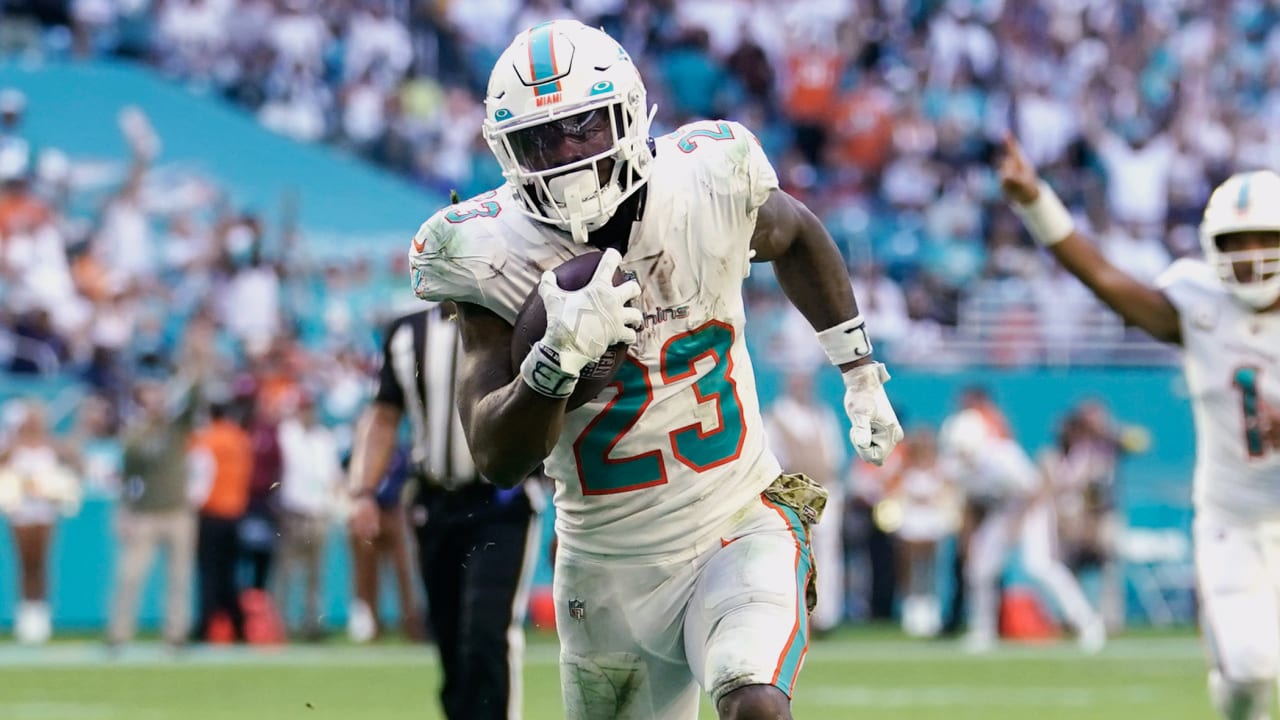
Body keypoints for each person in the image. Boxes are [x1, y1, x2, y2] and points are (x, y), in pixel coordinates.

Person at [408, 20, 903, 720]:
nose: (568, 156)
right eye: (543, 139)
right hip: (606, 566)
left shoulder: (708, 177)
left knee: (754, 700)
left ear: (631, 114)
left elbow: (797, 234)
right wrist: (553, 365)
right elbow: (493, 455)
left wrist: (857, 367)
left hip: (735, 516)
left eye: (584, 127)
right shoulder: (484, 248)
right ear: (506, 149)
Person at [1000, 137, 1280, 719]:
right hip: (1233, 518)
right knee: (1250, 669)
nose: (1252, 256)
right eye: (1237, 243)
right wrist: (1036, 202)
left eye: (1265, 241)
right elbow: (1105, 279)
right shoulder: (1200, 303)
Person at [348, 305, 543, 720]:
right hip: (435, 504)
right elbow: (383, 416)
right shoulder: (406, 334)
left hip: (500, 502)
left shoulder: (510, 318)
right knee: (450, 635)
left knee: (487, 632)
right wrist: (363, 490)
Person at [937, 407, 1106, 654]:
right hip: (1001, 512)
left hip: (1030, 510)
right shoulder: (955, 466)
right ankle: (982, 630)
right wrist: (969, 539)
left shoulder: (1003, 457)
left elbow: (1034, 490)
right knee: (979, 569)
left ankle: (1088, 623)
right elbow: (969, 505)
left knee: (1039, 567)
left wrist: (1016, 526)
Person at [763, 370, 848, 635]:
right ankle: (795, 614)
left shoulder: (821, 415)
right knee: (793, 554)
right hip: (794, 495)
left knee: (828, 556)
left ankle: (826, 616)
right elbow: (773, 460)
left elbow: (835, 457)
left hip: (825, 492)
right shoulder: (775, 417)